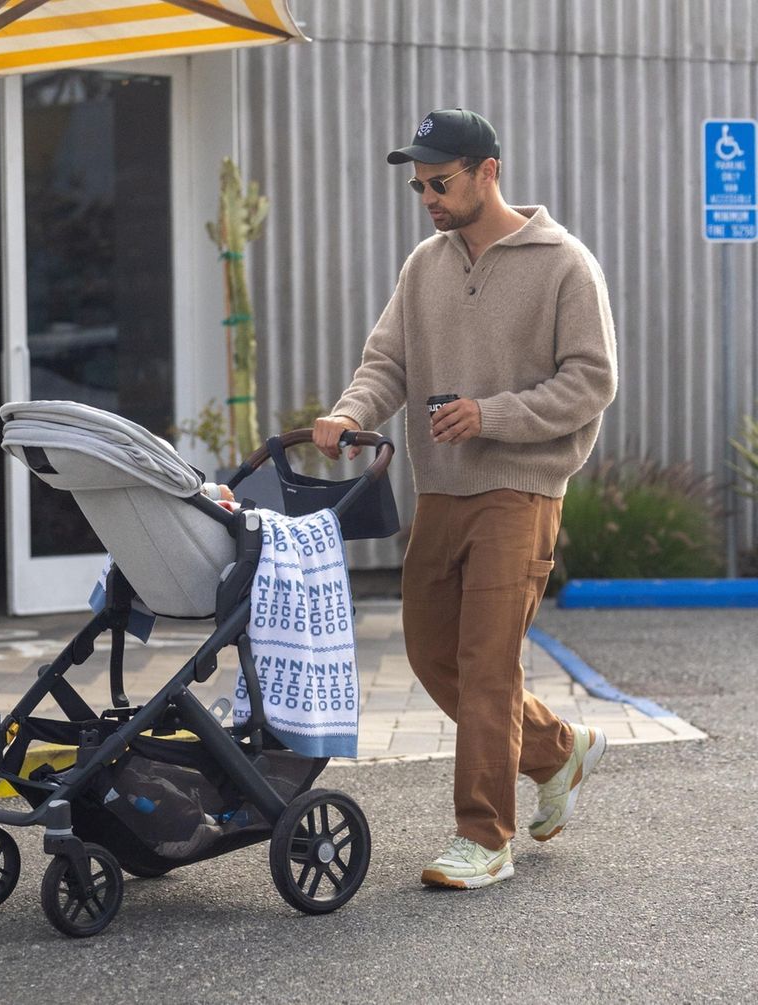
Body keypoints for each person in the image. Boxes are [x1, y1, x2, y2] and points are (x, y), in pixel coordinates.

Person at [313, 108, 617, 889]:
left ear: (488, 171)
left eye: (439, 183)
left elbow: (592, 381)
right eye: (419, 186)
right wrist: (350, 412)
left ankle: (484, 837)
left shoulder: (564, 264)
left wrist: (493, 414)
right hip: (441, 488)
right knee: (431, 652)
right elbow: (387, 361)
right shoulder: (426, 265)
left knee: (487, 663)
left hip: (521, 489)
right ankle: (556, 749)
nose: (428, 199)